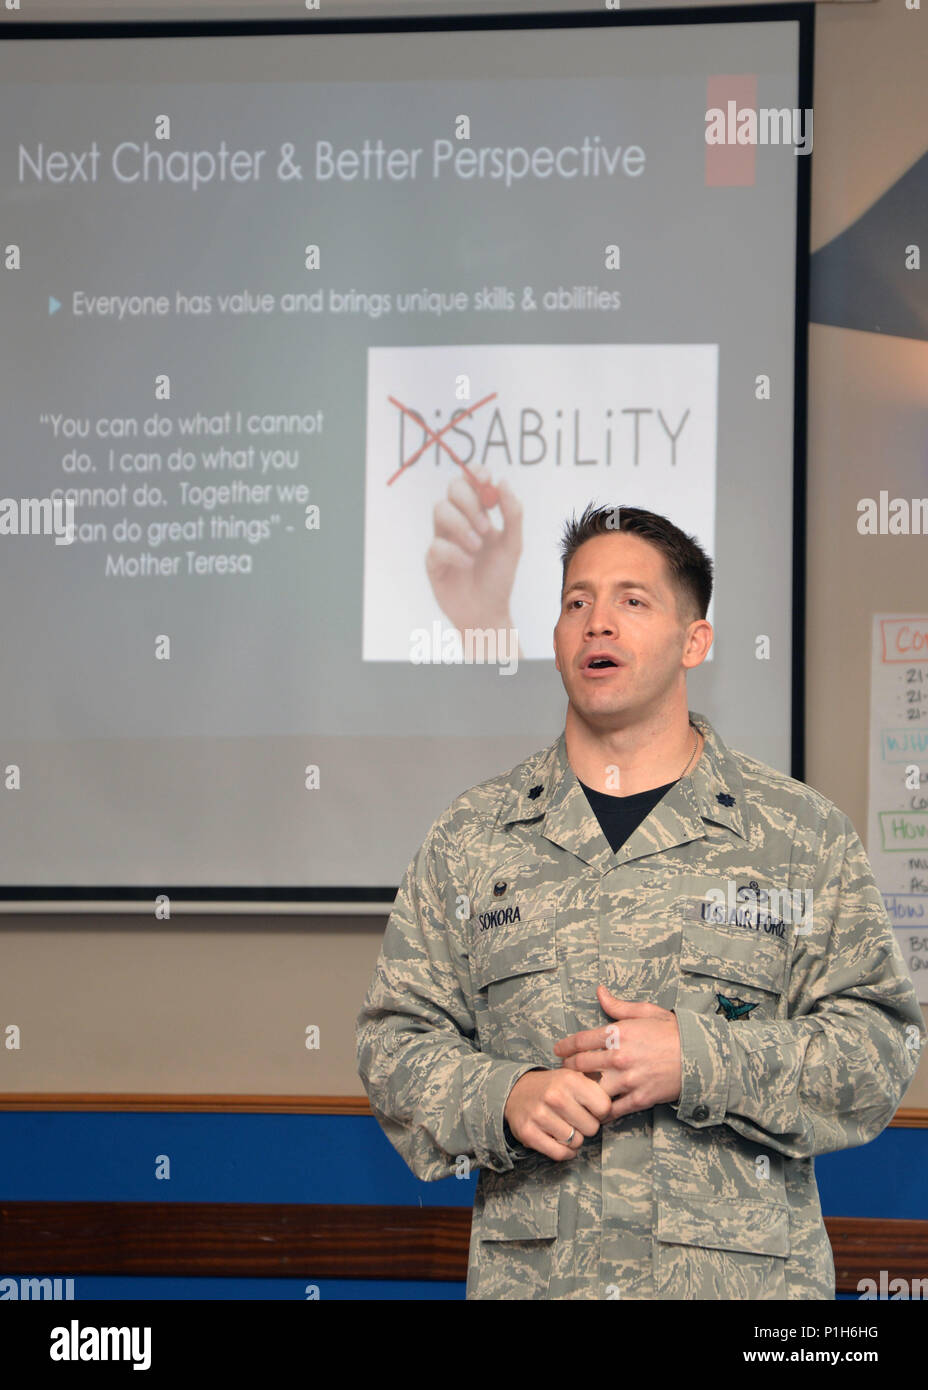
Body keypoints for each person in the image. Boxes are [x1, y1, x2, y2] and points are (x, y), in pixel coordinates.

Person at [355, 502, 924, 1300]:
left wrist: (704, 1061)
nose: (597, 624)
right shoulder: (472, 839)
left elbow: (878, 1051)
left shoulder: (797, 835)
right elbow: (395, 1045)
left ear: (696, 640)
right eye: (576, 602)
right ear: (555, 639)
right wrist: (504, 1096)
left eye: (632, 600)